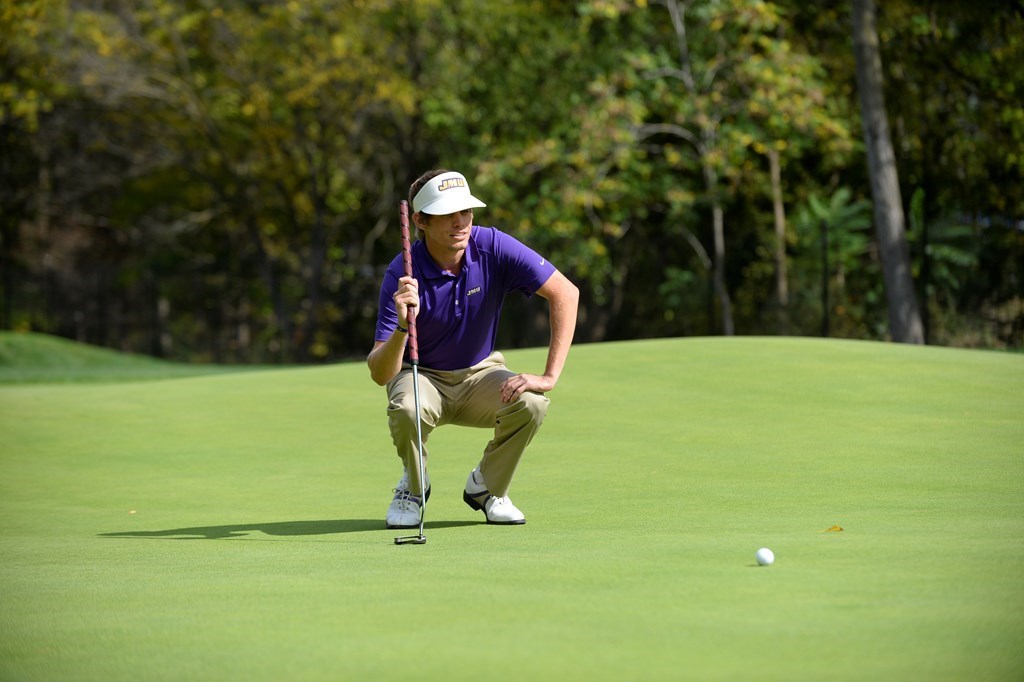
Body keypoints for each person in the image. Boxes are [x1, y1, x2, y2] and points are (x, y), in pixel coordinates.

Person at [368, 169, 579, 528]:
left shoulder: (492, 246)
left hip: (480, 373)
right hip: (421, 376)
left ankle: (488, 487)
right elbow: (380, 372)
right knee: (407, 408)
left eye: (466, 211)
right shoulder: (401, 272)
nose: (460, 221)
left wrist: (549, 376)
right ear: (420, 220)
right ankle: (414, 490)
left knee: (531, 403)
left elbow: (565, 292)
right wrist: (404, 325)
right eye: (448, 214)